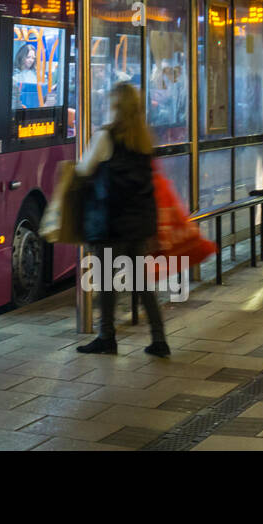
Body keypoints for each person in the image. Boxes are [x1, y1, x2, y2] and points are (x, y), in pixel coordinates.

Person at [74, 82, 169, 358]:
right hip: (138, 223)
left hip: (111, 222)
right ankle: (159, 339)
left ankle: (107, 337)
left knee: (106, 281)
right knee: (142, 283)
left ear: (114, 106)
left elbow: (83, 169)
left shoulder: (106, 136)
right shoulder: (143, 139)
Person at [13, 42, 39, 108]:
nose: (31, 60)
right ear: (21, 57)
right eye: (28, 57)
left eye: (33, 58)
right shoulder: (15, 73)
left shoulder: (34, 74)